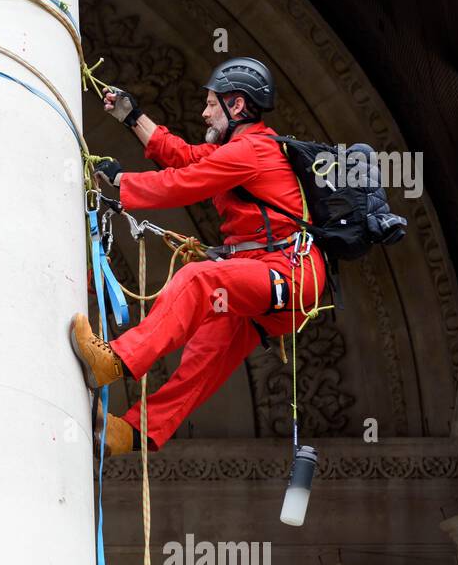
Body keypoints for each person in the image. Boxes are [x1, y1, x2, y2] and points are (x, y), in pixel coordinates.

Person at [71, 56, 326, 455]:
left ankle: (115, 360)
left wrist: (122, 184)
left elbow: (186, 182)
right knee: (206, 354)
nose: (205, 112)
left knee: (199, 278)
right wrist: (132, 116)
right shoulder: (242, 149)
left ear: (236, 105)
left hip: (288, 275)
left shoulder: (252, 149)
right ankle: (134, 433)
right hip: (272, 283)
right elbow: (186, 157)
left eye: (211, 103)